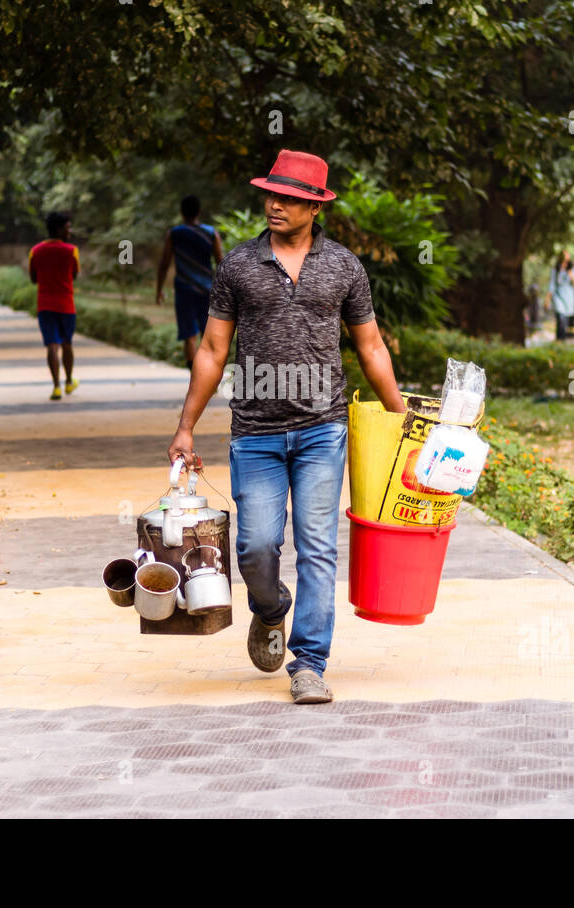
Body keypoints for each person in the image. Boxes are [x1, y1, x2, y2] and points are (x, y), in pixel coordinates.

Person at [167, 149, 406, 706]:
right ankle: (270, 609)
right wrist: (186, 427)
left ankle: (311, 663)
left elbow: (370, 346)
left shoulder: (345, 267)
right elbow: (212, 348)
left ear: (314, 206)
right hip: (256, 433)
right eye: (271, 194)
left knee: (318, 546)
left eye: (289, 198)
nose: (275, 204)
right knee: (255, 546)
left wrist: (401, 420)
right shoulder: (239, 266)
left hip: (324, 429)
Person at [156, 195, 225, 367]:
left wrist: (159, 290)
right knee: (207, 334)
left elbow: (164, 264)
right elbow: (221, 263)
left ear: (181, 212)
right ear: (198, 212)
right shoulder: (211, 233)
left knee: (189, 336)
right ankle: (208, 375)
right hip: (207, 290)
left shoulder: (175, 234)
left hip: (184, 290)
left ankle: (195, 373)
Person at [28, 211, 80, 400]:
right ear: (59, 229)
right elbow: (74, 275)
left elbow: (33, 278)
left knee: (52, 345)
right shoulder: (71, 250)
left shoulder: (35, 251)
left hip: (45, 306)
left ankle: (56, 386)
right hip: (66, 305)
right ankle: (68, 382)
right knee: (67, 344)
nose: (70, 231)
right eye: (68, 227)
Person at [550, 249, 574, 341]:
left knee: (564, 320)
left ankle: (562, 339)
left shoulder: (572, 268)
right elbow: (552, 284)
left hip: (568, 297)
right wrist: (548, 298)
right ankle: (560, 338)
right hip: (558, 296)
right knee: (560, 317)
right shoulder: (556, 269)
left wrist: (570, 273)